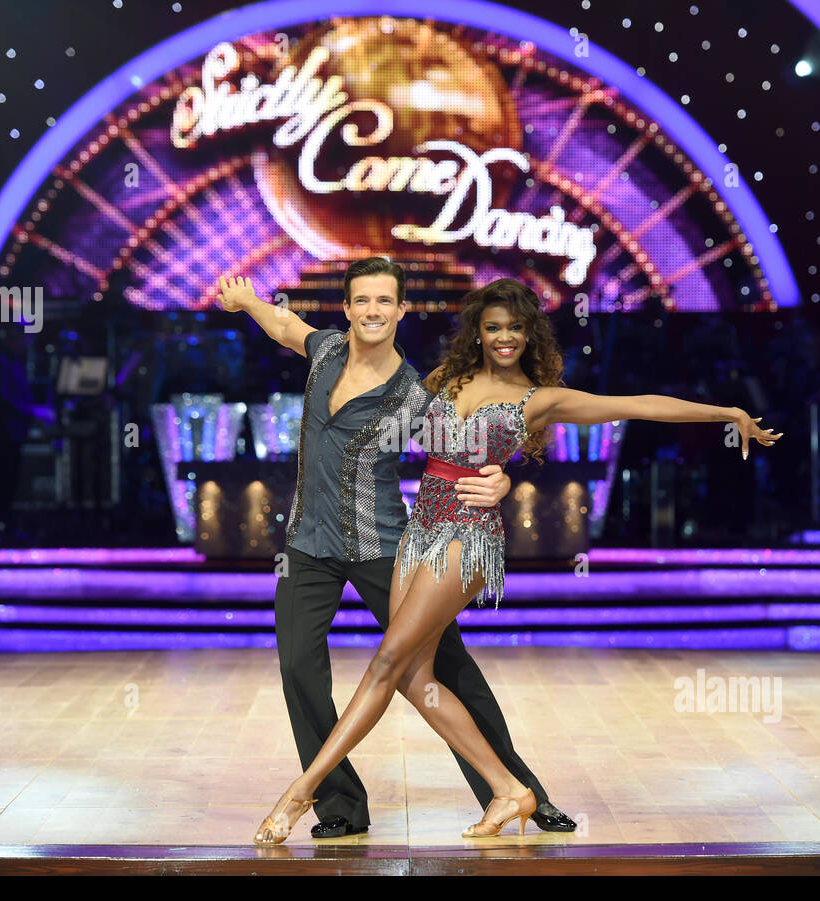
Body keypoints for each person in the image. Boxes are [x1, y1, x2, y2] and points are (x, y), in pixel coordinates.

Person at [244, 276, 784, 844]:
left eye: (516, 329)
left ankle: (299, 792)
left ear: (530, 335)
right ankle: (509, 790)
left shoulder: (541, 398)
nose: (505, 338)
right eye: (494, 328)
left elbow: (639, 404)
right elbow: (382, 422)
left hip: (466, 537)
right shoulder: (443, 381)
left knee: (385, 666)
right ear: (477, 333)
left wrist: (725, 412)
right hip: (417, 529)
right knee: (414, 680)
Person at [216, 259, 577, 839]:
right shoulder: (327, 351)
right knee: (297, 667)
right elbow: (285, 326)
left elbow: (472, 439)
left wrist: (500, 480)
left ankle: (520, 790)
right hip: (307, 545)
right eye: (363, 301)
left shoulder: (418, 392)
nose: (373, 312)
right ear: (348, 308)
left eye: (385, 302)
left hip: (383, 543)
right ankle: (340, 805)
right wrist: (249, 302)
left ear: (401, 311)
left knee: (445, 669)